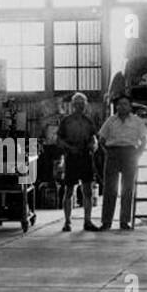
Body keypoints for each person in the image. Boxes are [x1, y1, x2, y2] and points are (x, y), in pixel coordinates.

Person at [97, 95, 147, 231]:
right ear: (117, 106)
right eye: (120, 104)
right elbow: (101, 139)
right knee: (110, 189)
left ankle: (124, 221)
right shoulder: (111, 120)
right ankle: (106, 222)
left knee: (127, 189)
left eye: (125, 104)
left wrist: (138, 154)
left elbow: (144, 140)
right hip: (113, 154)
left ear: (130, 107)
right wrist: (107, 152)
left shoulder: (137, 121)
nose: (122, 106)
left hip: (130, 153)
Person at [56, 93, 99, 232]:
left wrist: (93, 145)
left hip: (86, 158)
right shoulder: (66, 121)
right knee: (68, 190)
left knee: (87, 191)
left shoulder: (88, 121)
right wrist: (70, 148)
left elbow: (94, 137)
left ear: (85, 105)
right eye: (77, 103)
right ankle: (67, 222)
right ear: (73, 105)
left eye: (82, 103)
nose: (80, 106)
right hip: (71, 158)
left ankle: (87, 221)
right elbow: (59, 140)